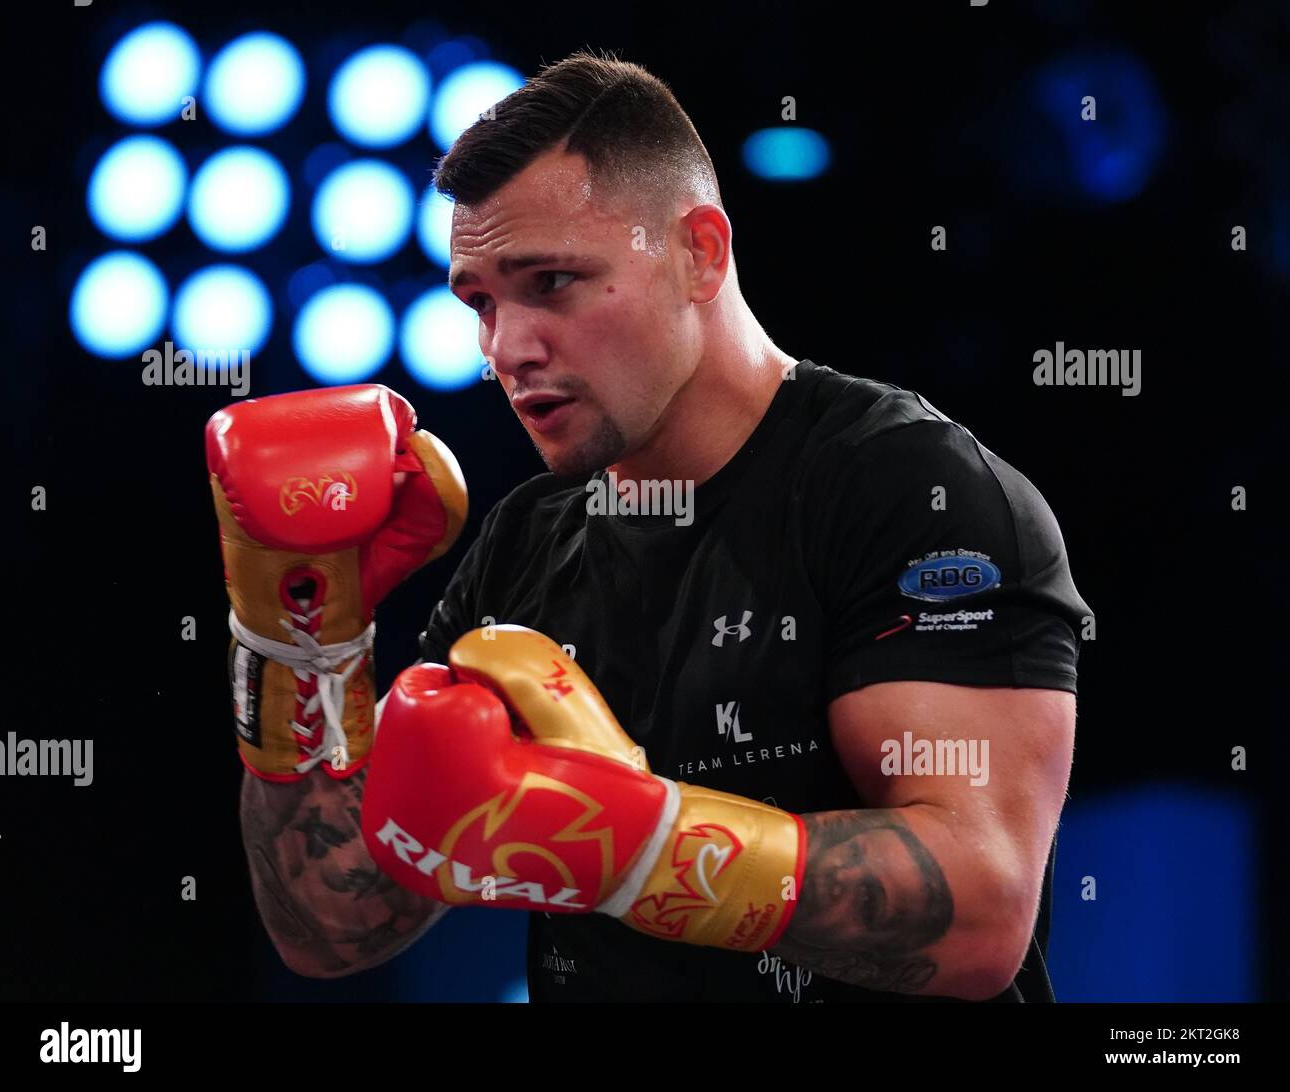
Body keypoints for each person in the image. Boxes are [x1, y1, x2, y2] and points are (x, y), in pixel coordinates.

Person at [220, 50, 1091, 1003]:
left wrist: (644, 848)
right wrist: (299, 637)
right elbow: (333, 925)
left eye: (551, 281)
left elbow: (981, 917)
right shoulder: (528, 543)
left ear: (699, 253)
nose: (505, 349)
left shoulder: (907, 491)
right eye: (480, 302)